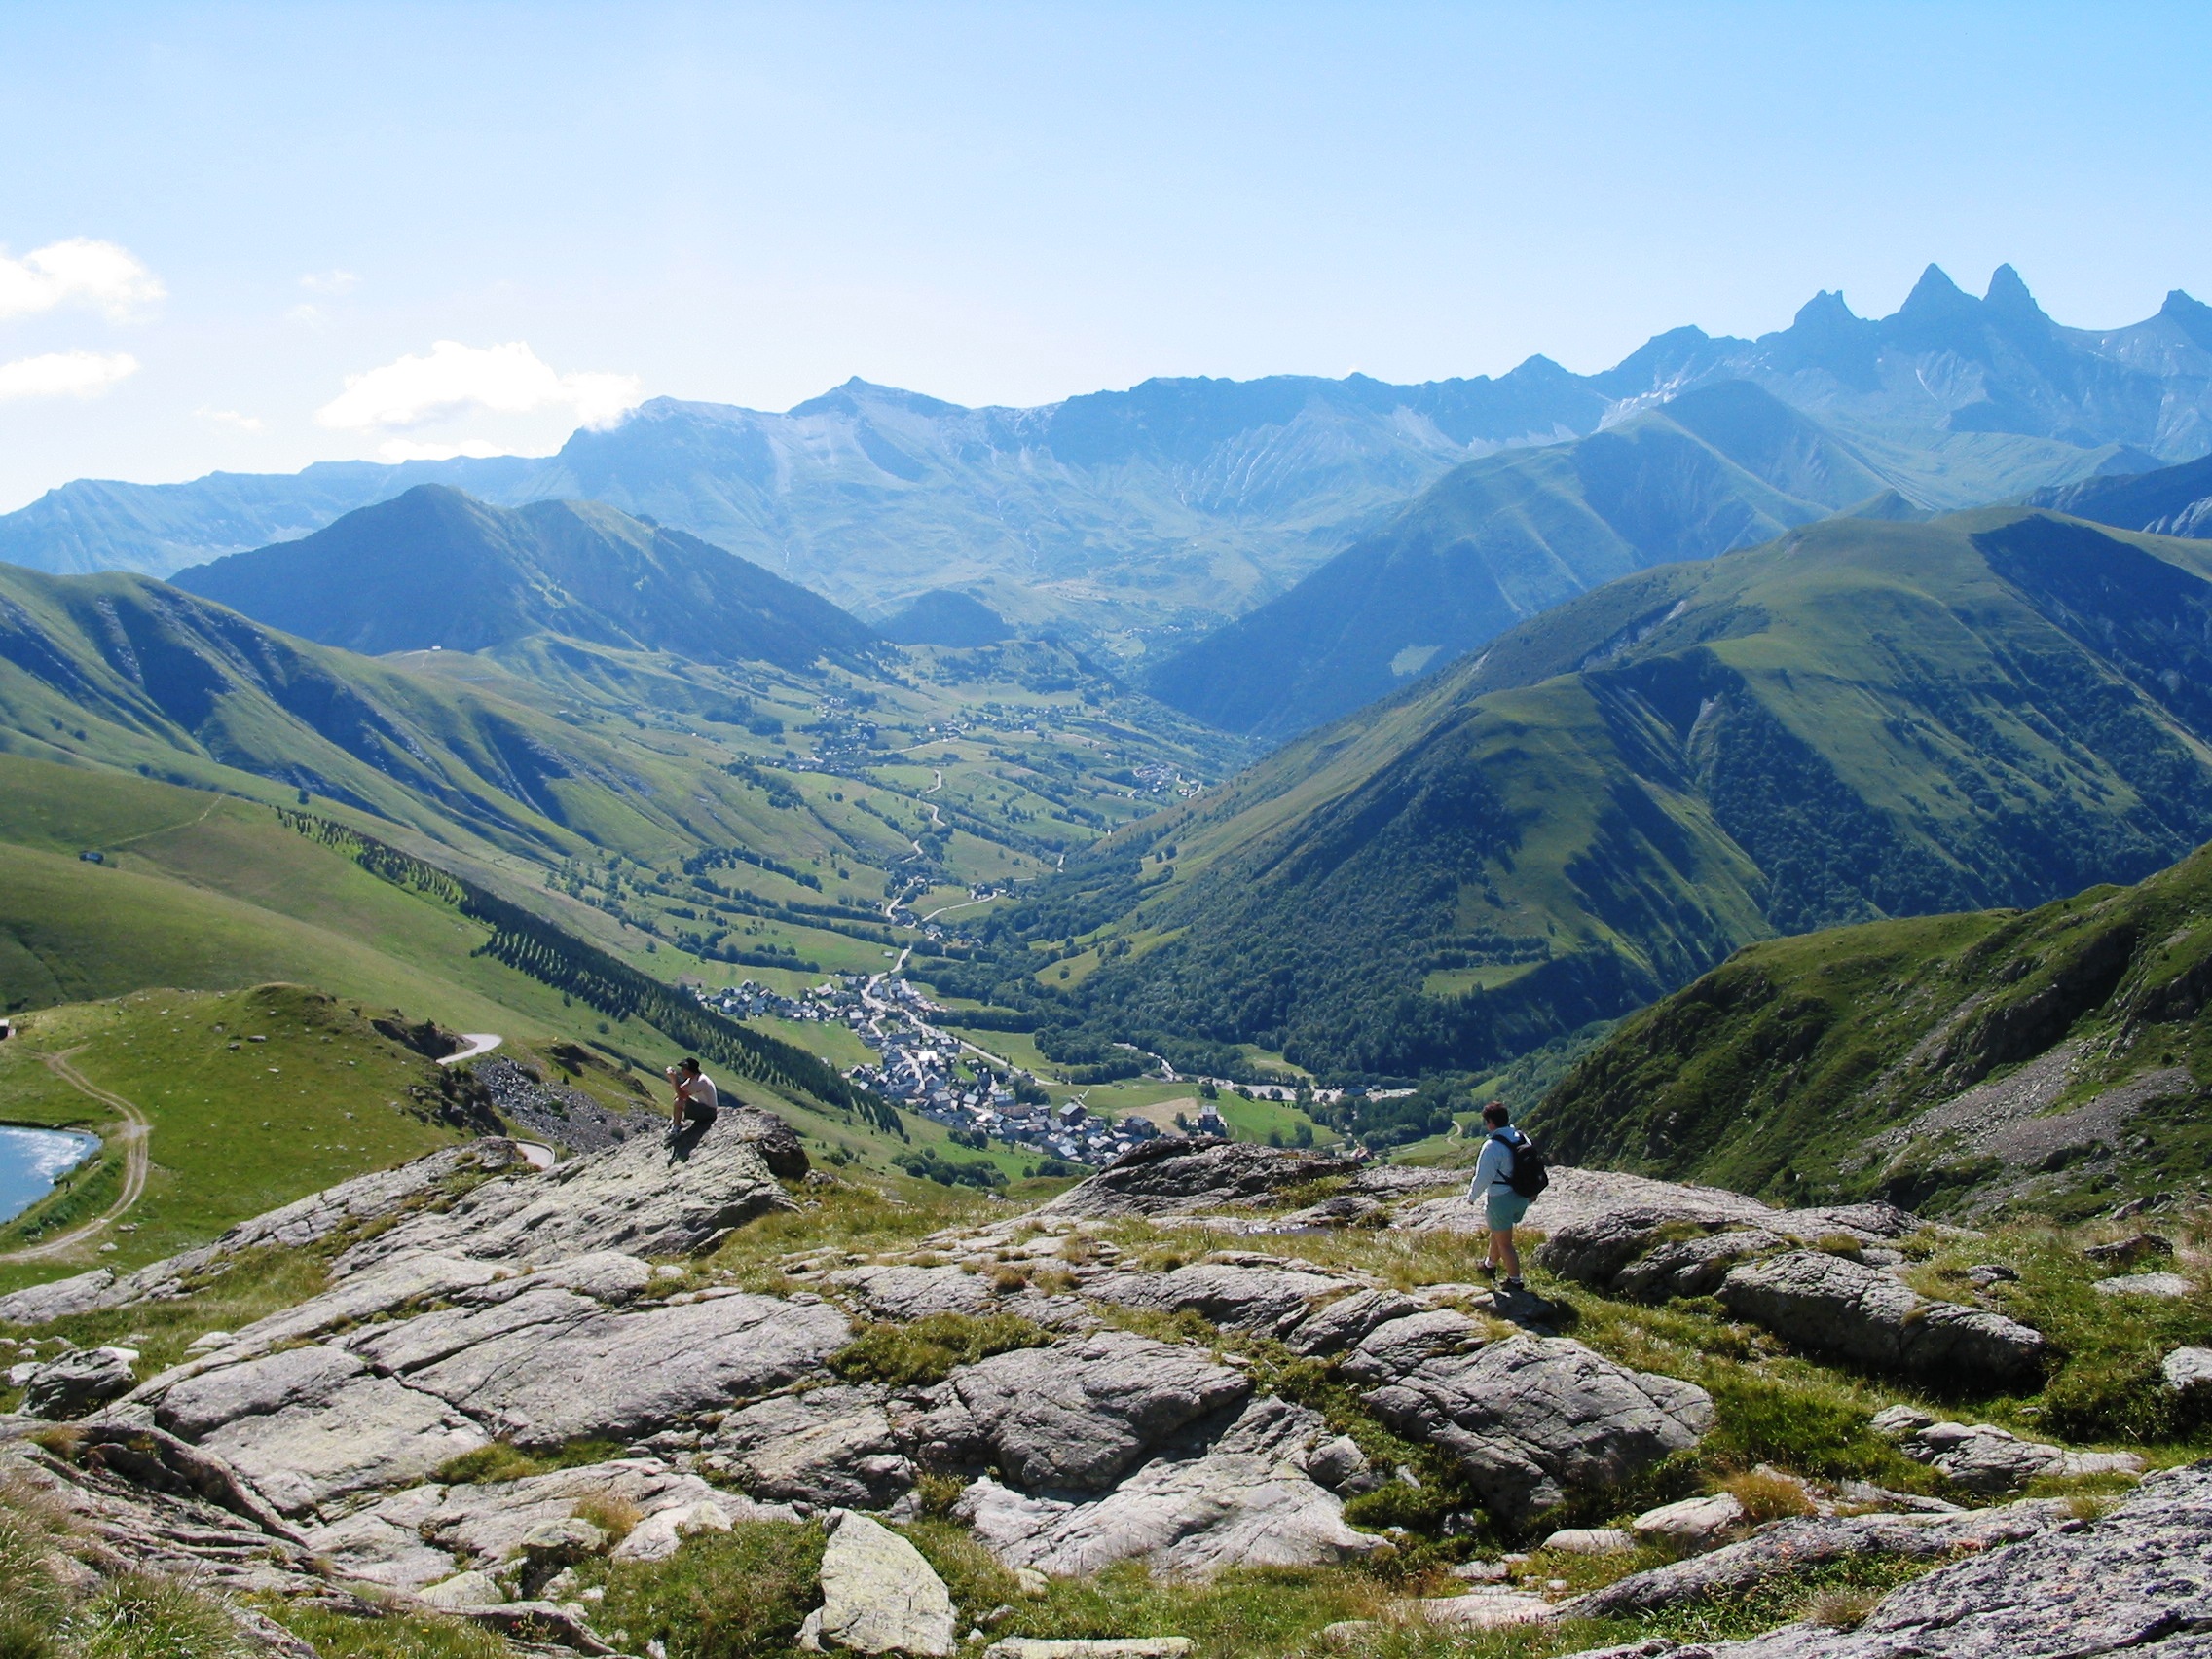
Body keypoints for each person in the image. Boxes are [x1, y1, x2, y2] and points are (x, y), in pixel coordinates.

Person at [1467, 1101, 1530, 1293]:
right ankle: (1489, 1264)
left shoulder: (1492, 1146)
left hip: (1501, 1198)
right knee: (1498, 1229)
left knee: (1505, 1243)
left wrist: (1472, 1196)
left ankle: (1515, 1281)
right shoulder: (1521, 1138)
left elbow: (1483, 1177)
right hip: (1521, 1195)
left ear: (1491, 1123)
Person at [666, 1056, 719, 1133]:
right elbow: (680, 1090)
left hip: (709, 1112)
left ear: (689, 1070)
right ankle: (676, 1120)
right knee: (677, 1097)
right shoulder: (693, 1078)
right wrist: (673, 1079)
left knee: (679, 1102)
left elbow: (681, 1095)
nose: (682, 1071)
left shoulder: (700, 1081)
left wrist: (673, 1079)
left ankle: (676, 1127)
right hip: (704, 1108)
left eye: (683, 1069)